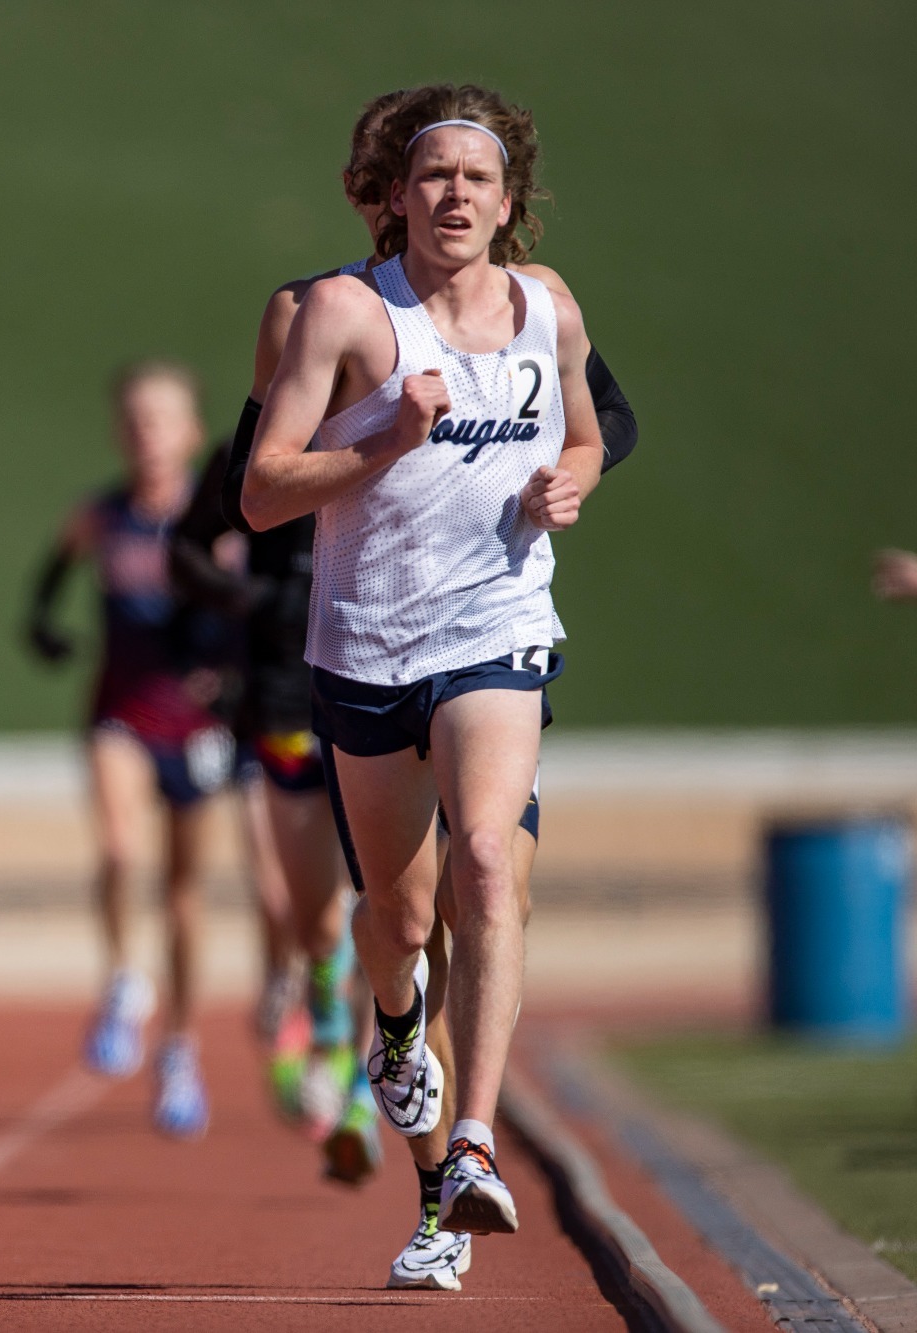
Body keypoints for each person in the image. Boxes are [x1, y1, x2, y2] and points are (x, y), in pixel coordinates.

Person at [244, 83, 606, 1253]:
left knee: (488, 865)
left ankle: (471, 1144)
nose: (454, 195)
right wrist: (388, 439)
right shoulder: (346, 316)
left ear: (510, 206)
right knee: (394, 921)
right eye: (433, 176)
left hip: (496, 630)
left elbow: (591, 429)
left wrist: (578, 477)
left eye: (476, 179)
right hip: (362, 648)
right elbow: (258, 492)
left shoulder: (547, 310)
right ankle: (394, 1025)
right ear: (395, 196)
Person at [25, 360, 232, 1140]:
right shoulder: (101, 515)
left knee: (183, 894)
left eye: (162, 419)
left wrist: (231, 667)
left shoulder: (218, 523)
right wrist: (43, 623)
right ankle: (123, 982)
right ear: (121, 431)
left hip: (198, 725)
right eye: (135, 420)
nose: (147, 433)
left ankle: (179, 1048)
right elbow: (50, 576)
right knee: (118, 849)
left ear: (188, 432)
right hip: (121, 713)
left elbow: (257, 608)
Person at [170, 443, 375, 1183]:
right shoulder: (252, 451)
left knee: (395, 912)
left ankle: (363, 1094)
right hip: (286, 706)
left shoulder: (399, 426)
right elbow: (185, 551)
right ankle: (323, 1031)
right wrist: (253, 604)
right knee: (310, 912)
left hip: (384, 699)